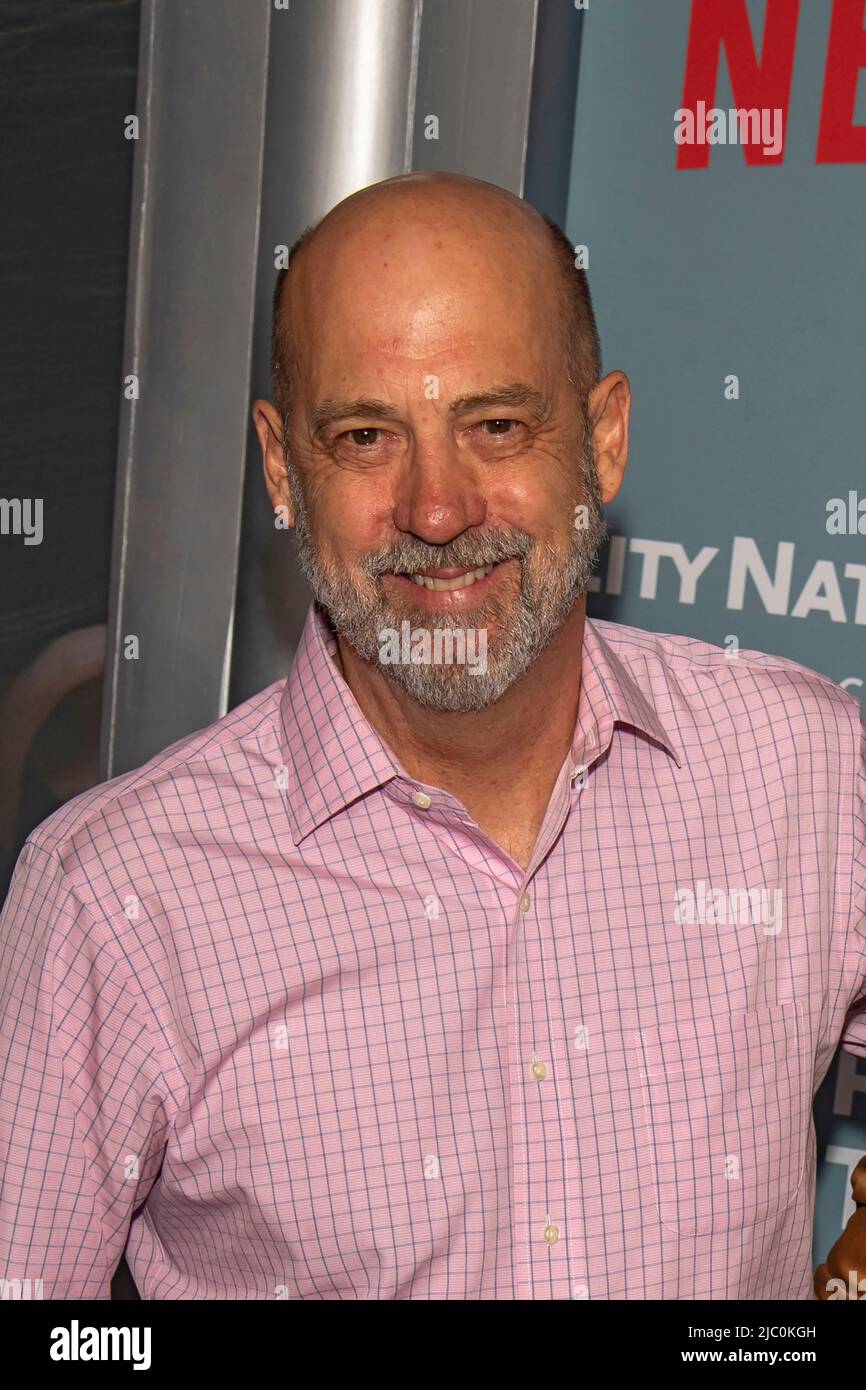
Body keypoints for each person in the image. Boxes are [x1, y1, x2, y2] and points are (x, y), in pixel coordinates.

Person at [0, 171, 864, 1300]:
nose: (438, 510)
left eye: (494, 425)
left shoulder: (800, 769)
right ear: (280, 470)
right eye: (365, 436)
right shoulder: (112, 897)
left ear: (602, 440)